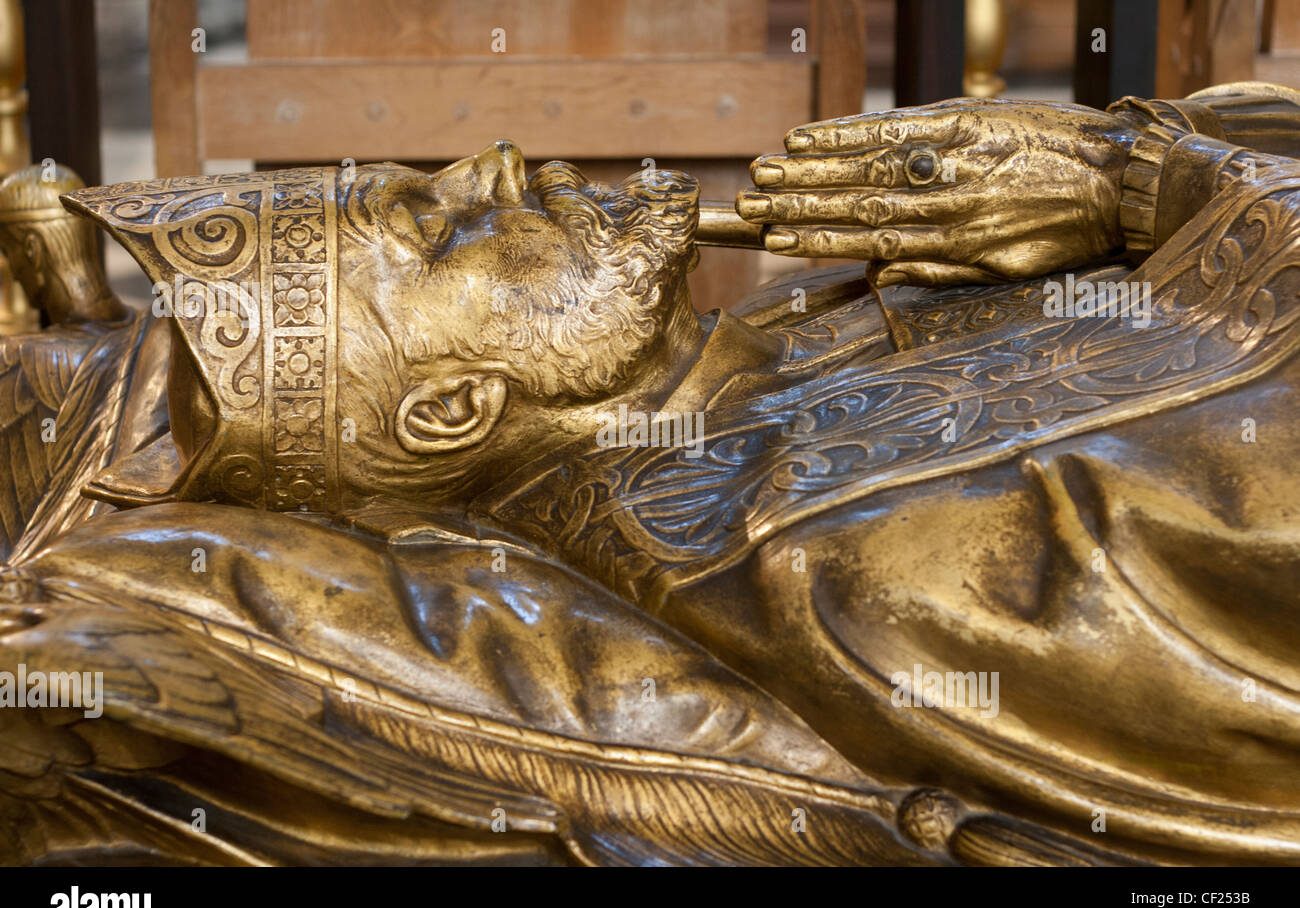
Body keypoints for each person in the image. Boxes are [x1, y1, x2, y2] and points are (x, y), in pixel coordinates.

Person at [3, 83, 1300, 865]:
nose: (492, 163)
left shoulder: (762, 367)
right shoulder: (895, 560)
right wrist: (1150, 183)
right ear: (454, 408)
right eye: (443, 222)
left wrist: (1140, 159)